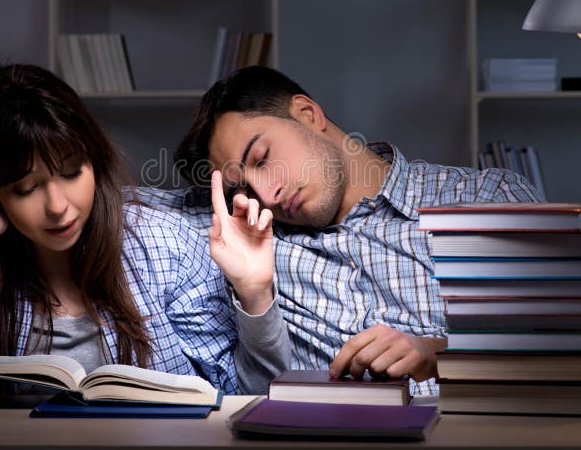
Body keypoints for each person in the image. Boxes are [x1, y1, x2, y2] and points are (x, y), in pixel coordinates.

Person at [140, 66, 543, 395]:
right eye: (242, 187)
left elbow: (561, 347)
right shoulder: (250, 235)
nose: (266, 193)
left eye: (262, 159)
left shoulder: (486, 197)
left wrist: (438, 355)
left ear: (308, 114)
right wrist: (255, 293)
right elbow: (107, 200)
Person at [0, 63, 288, 395]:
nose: (58, 207)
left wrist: (254, 294)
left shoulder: (165, 243)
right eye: (25, 188)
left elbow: (248, 393)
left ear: (94, 160)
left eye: (71, 173)